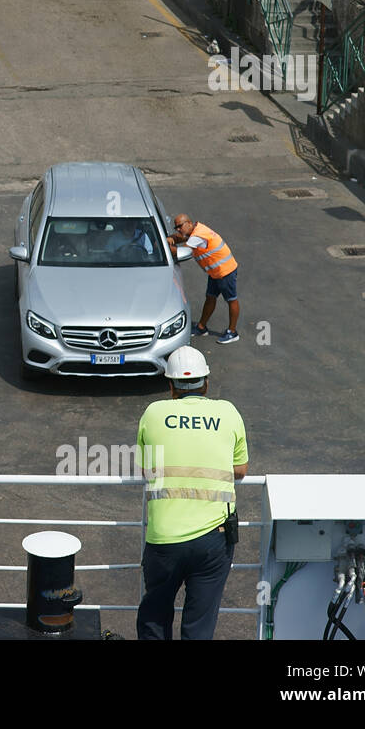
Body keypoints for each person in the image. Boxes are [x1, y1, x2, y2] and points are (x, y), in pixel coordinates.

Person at [136, 346, 248, 640]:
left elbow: (147, 471)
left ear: (170, 386)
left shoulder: (154, 413)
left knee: (155, 618)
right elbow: (240, 469)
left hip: (164, 541)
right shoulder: (228, 412)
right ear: (206, 383)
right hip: (214, 538)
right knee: (199, 625)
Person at [168, 213, 239, 343]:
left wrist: (164, 245)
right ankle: (201, 327)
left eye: (180, 226)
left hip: (225, 271)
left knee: (231, 300)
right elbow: (181, 237)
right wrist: (172, 238)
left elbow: (181, 250)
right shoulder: (196, 229)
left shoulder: (198, 235)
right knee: (210, 297)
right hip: (215, 272)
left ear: (189, 223)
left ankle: (232, 332)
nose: (178, 229)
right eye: (176, 227)